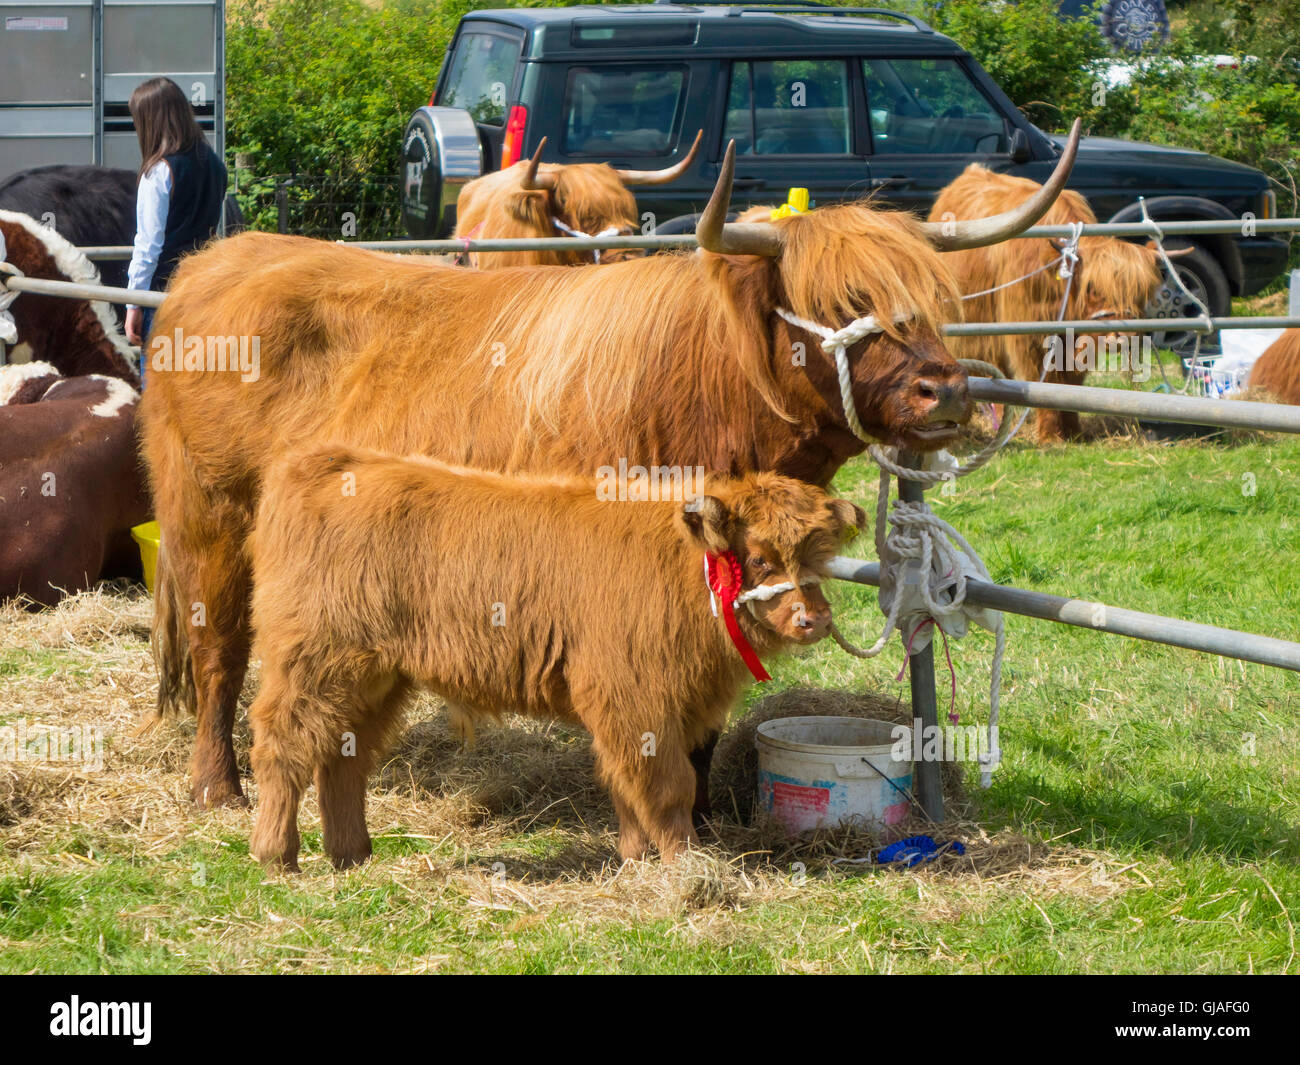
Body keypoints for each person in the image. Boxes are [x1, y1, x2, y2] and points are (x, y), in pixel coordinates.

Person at [124, 77, 228, 351]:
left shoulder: (158, 172)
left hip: (164, 293)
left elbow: (148, 246)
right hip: (203, 286)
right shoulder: (214, 163)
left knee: (158, 380)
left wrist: (134, 303)